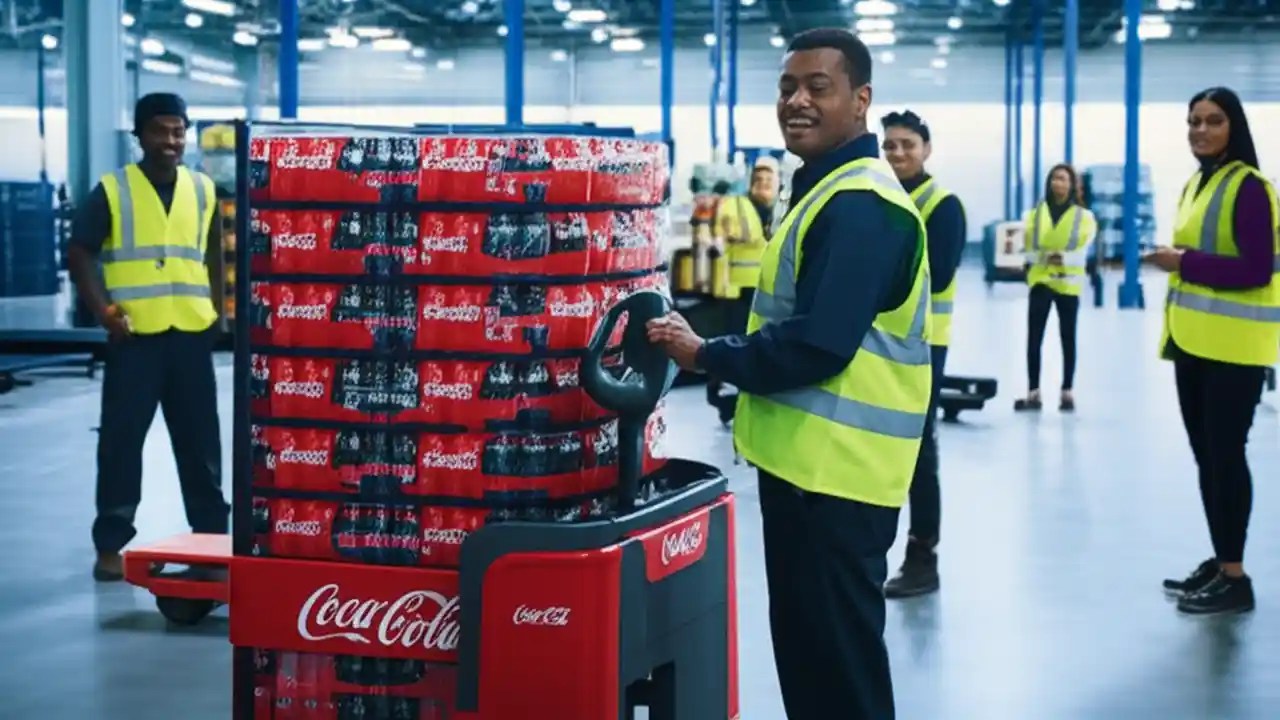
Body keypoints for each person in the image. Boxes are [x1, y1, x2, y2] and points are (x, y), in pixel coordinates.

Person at [647, 28, 930, 720]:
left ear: (861, 100)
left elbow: (819, 346)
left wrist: (705, 353)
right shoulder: (823, 192)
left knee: (837, 672)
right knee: (812, 660)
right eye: (786, 88)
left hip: (837, 482)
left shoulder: (861, 204)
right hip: (812, 474)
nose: (797, 101)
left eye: (818, 88)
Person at [67, 93, 229, 582]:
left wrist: (218, 315)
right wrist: (103, 313)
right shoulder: (113, 190)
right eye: (160, 131)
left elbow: (211, 257)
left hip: (190, 336)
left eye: (179, 131)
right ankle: (110, 544)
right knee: (121, 442)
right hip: (135, 337)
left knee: (201, 445)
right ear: (139, 136)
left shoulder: (203, 189)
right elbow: (79, 252)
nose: (171, 141)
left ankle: (211, 540)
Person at [1145, 86, 1278, 615]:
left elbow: (1255, 268)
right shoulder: (1200, 183)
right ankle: (1222, 561)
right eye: (1193, 121)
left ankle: (1236, 578)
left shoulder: (1250, 186)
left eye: (1213, 121)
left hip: (1234, 348)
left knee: (1226, 457)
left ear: (1234, 127)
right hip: (1194, 342)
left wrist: (1183, 262)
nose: (1200, 130)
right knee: (1209, 459)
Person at [878, 110, 967, 599]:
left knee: (918, 451)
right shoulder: (882, 197)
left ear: (926, 148)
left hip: (923, 346)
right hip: (879, 345)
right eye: (889, 145)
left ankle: (923, 554)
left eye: (906, 144)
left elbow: (941, 271)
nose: (897, 154)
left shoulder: (943, 205)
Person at [1013, 163, 1097, 412]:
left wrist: (1061, 258)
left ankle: (1067, 391)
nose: (1057, 184)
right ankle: (1033, 391)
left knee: (1067, 337)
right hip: (1041, 280)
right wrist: (1042, 259)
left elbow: (1082, 252)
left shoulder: (1084, 218)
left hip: (1068, 283)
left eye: (1062, 179)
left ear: (1072, 184)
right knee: (1034, 338)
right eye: (1054, 179)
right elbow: (1027, 250)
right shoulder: (1033, 216)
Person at [706, 156, 779, 424]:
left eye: (769, 179)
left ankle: (743, 398)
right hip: (738, 287)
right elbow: (717, 238)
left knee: (756, 345)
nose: (764, 184)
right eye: (759, 179)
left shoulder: (778, 206)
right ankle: (724, 398)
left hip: (766, 288)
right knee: (735, 342)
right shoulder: (736, 205)